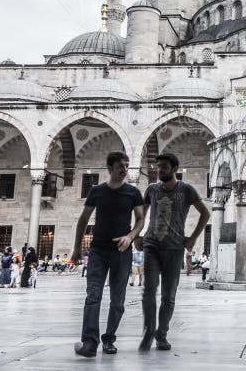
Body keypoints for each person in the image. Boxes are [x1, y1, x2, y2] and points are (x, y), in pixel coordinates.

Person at [71, 150, 146, 358]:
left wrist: (130, 237)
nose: (125, 170)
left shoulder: (133, 192)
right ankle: (89, 343)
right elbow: (83, 220)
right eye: (121, 165)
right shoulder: (97, 191)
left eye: (126, 165)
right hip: (98, 250)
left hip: (122, 252)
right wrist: (77, 249)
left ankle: (109, 338)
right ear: (110, 167)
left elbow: (140, 220)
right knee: (93, 296)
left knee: (118, 301)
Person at [139, 153, 210, 352]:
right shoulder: (151, 190)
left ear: (175, 169)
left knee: (168, 296)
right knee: (148, 291)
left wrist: (193, 237)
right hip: (152, 245)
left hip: (174, 247)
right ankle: (149, 331)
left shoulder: (186, 190)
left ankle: (161, 335)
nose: (159, 170)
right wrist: (137, 235)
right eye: (158, 166)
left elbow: (205, 213)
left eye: (164, 167)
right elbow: (140, 215)